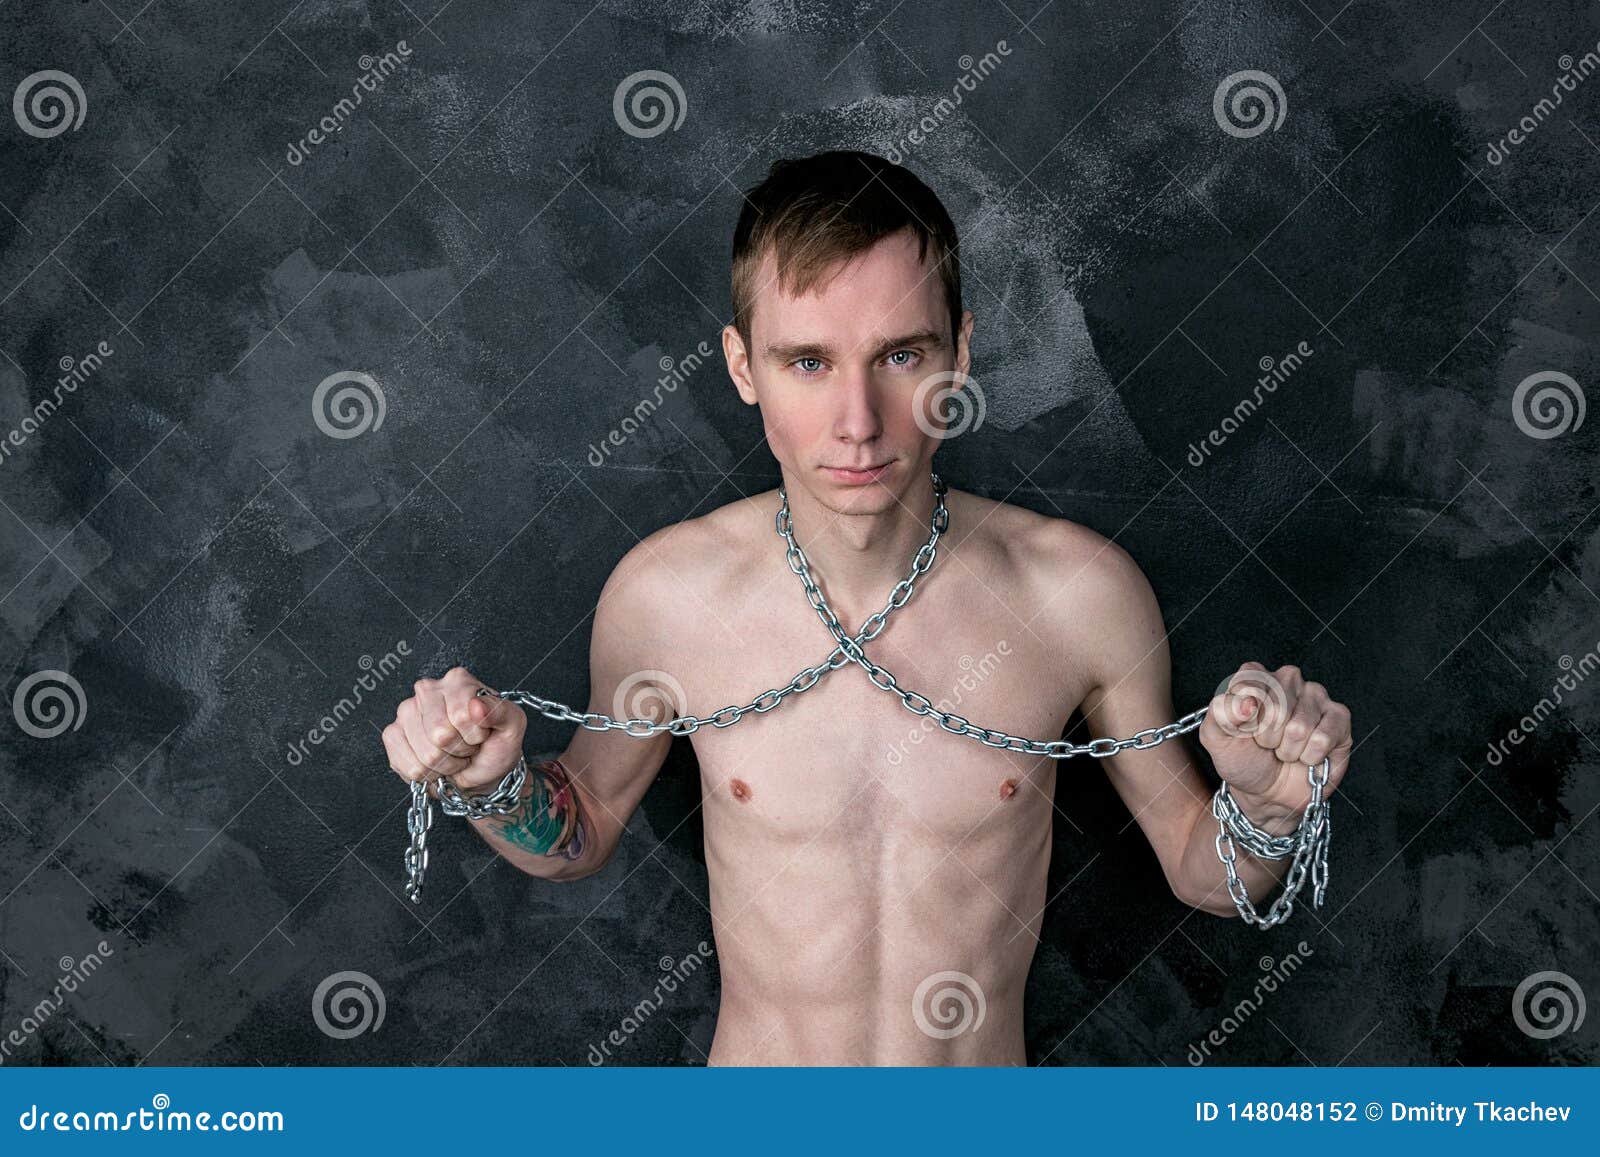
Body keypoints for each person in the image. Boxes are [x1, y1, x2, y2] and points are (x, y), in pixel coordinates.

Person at [381, 149, 1352, 1065]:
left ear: (959, 351)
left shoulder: (1075, 594)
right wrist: (495, 786)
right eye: (807, 361)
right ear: (741, 366)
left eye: (899, 355)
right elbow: (580, 830)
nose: (857, 421)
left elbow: (1200, 869)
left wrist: (1264, 810)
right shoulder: (668, 596)